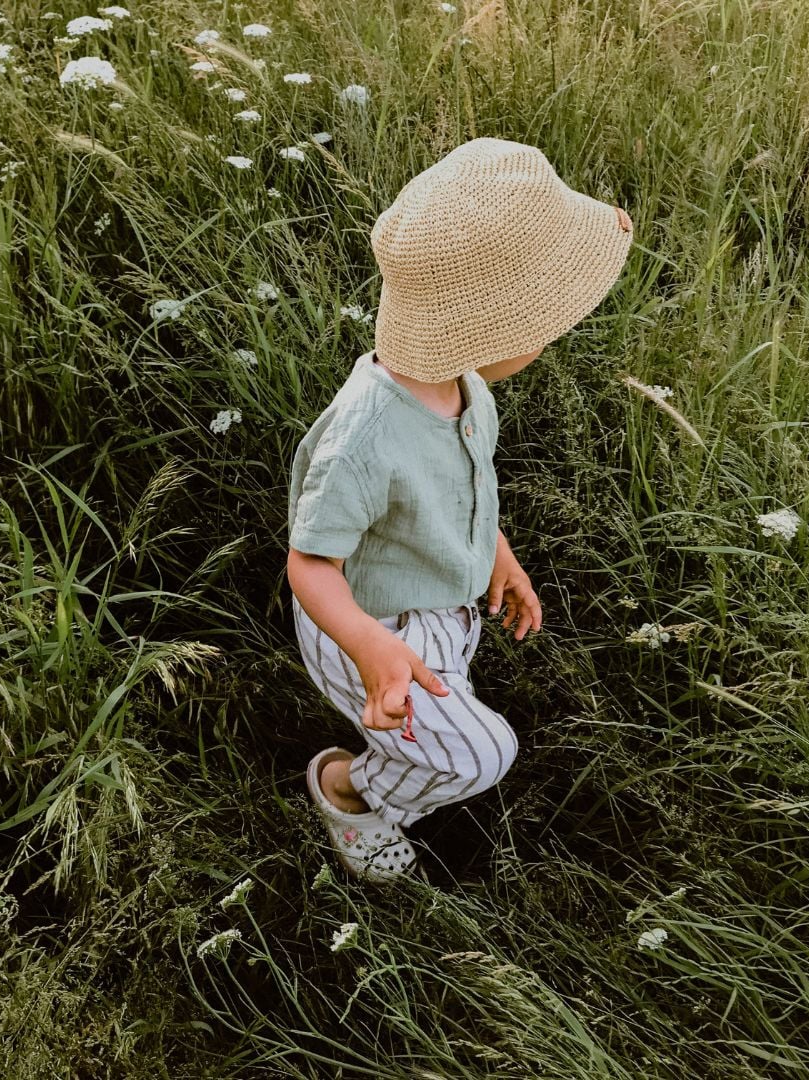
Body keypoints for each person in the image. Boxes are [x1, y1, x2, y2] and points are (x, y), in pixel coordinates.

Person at [286, 137, 634, 881]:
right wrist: (369, 648)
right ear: (486, 330)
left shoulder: (461, 389)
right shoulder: (365, 438)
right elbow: (309, 562)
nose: (544, 340)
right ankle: (349, 790)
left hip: (437, 599)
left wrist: (495, 555)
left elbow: (460, 484)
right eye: (539, 326)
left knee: (449, 724)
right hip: (373, 624)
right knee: (482, 754)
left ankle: (403, 747)